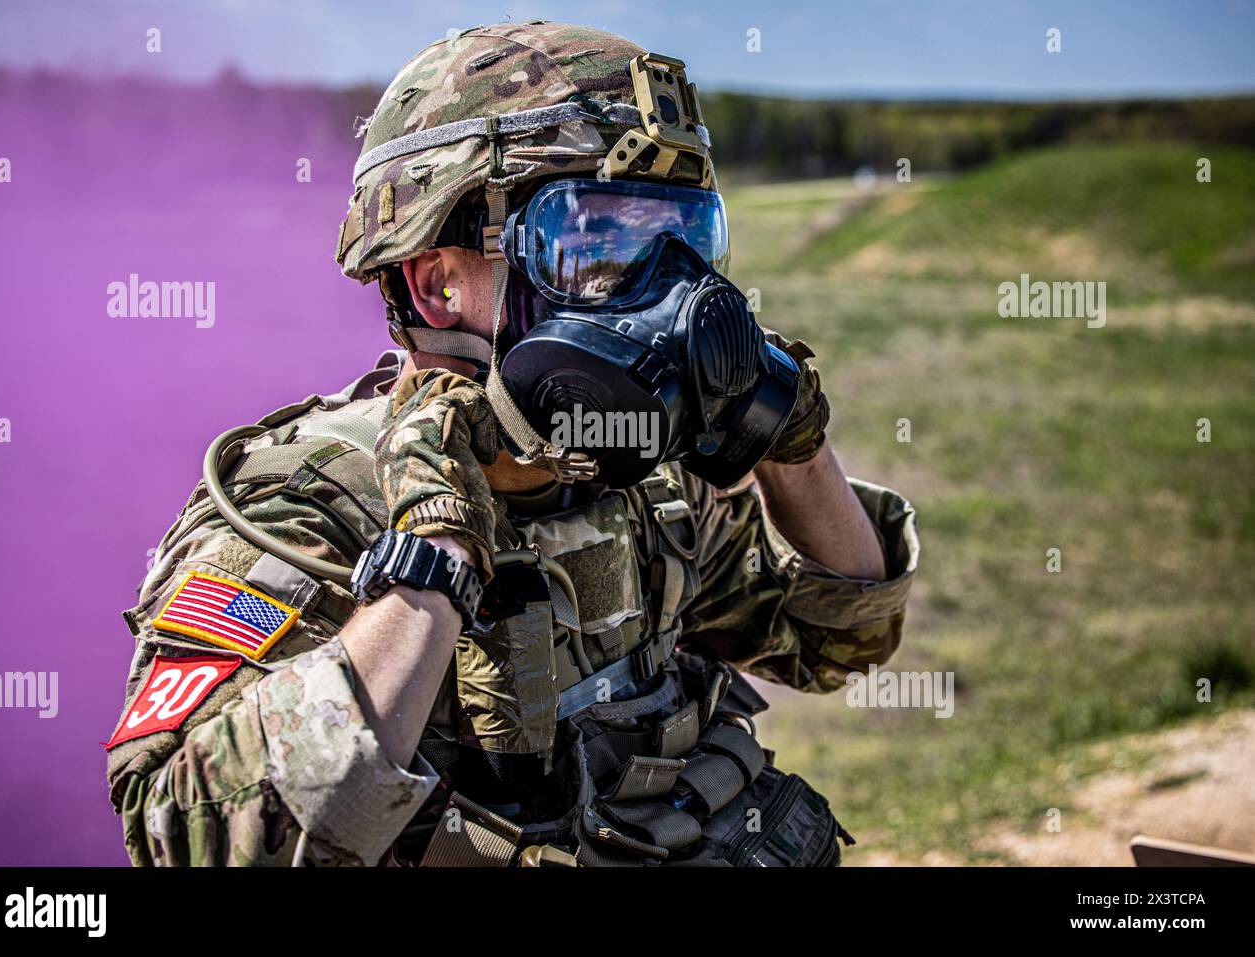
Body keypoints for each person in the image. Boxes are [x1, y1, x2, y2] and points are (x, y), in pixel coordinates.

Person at [105, 20, 920, 867]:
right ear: (436, 282)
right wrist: (435, 547)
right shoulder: (307, 505)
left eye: (681, 242)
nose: (666, 292)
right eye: (600, 243)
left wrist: (788, 437)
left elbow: (839, 637)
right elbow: (195, 843)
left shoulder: (642, 483)